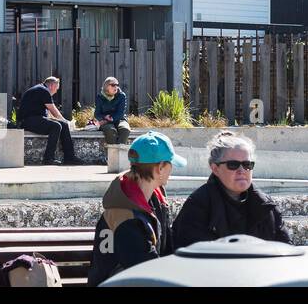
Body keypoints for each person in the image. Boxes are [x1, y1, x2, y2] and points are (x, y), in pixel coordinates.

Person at [88, 132, 181, 286]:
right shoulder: (125, 218)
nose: (172, 169)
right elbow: (148, 271)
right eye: (170, 163)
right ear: (160, 168)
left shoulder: (156, 199)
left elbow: (166, 254)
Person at [171, 131, 289, 248]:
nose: (242, 171)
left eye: (247, 164)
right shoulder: (198, 206)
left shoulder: (266, 206)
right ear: (215, 169)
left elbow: (286, 249)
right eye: (233, 165)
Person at [18, 75, 77, 165]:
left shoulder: (40, 90)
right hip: (27, 121)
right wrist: (67, 121)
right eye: (56, 89)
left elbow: (49, 114)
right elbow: (54, 111)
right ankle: (48, 158)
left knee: (63, 125)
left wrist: (65, 122)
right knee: (56, 126)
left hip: (35, 119)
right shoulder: (44, 91)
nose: (56, 91)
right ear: (52, 85)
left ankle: (70, 157)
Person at [94, 76, 131, 146]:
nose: (116, 87)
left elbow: (120, 113)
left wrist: (111, 119)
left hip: (119, 119)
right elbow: (97, 114)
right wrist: (104, 117)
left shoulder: (121, 96)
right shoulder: (100, 97)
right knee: (111, 130)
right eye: (113, 85)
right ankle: (113, 151)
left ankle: (120, 149)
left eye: (117, 85)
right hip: (105, 121)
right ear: (106, 86)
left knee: (125, 129)